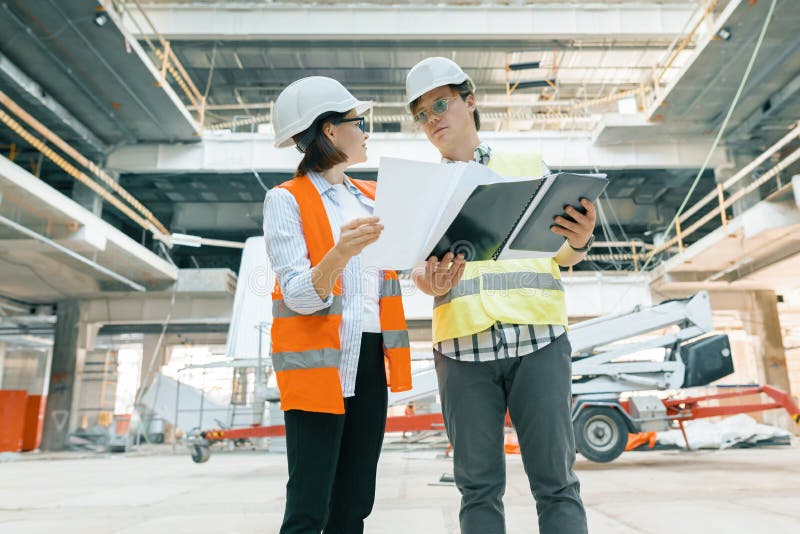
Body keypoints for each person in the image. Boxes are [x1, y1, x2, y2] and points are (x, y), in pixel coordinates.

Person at [406, 57, 595, 534]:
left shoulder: (528, 167)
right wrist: (430, 282)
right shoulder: (422, 190)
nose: (433, 120)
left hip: (539, 344)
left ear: (470, 102)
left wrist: (580, 239)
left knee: (556, 482)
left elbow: (562, 257)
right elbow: (417, 272)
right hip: (462, 350)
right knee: (478, 488)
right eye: (423, 114)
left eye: (441, 104)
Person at [263, 76, 412, 534]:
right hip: (316, 366)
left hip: (369, 361)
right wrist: (339, 254)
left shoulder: (372, 197)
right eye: (358, 122)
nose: (366, 131)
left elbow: (401, 270)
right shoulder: (285, 200)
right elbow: (298, 294)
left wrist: (433, 269)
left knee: (354, 505)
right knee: (310, 506)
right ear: (329, 130)